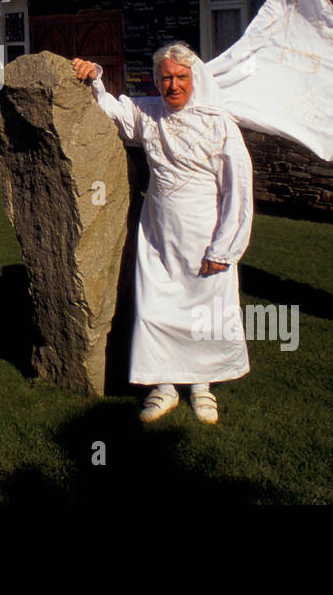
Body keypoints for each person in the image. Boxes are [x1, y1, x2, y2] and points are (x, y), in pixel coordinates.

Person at [72, 42, 253, 425]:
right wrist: (94, 77)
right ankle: (164, 387)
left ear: (194, 78)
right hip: (158, 236)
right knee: (157, 311)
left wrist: (225, 247)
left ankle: (201, 387)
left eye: (181, 77)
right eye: (166, 78)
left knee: (206, 314)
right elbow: (113, 112)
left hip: (205, 237)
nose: (173, 85)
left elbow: (238, 190)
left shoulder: (220, 124)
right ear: (156, 80)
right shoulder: (149, 114)